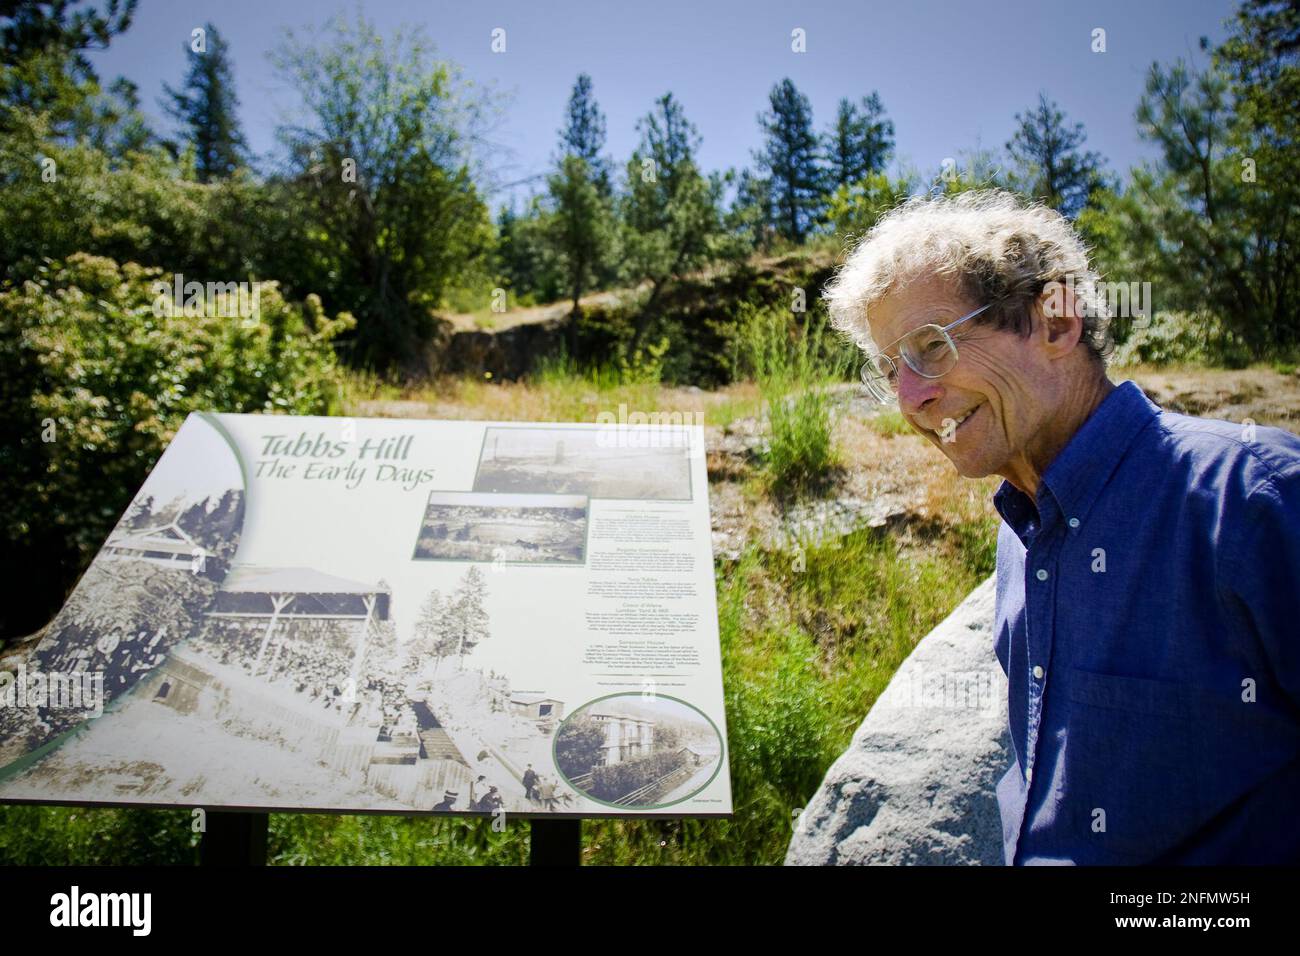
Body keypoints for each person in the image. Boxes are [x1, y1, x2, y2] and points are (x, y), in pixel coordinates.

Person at [823, 189, 1300, 864]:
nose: (910, 398)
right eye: (890, 368)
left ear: (1055, 322)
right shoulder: (1020, 537)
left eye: (932, 346)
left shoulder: (1253, 496)